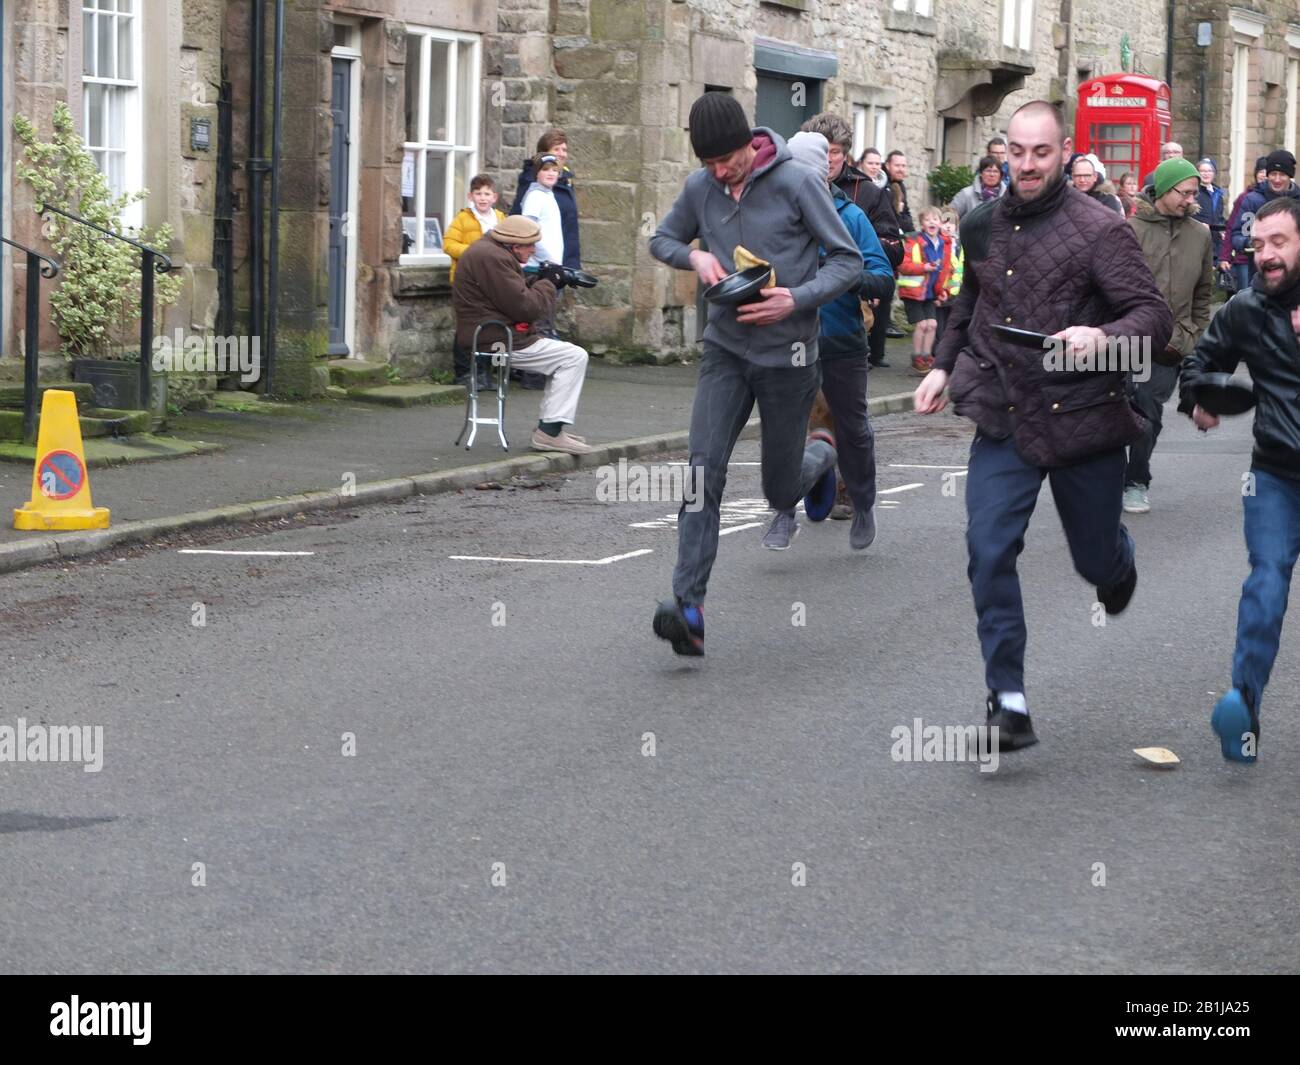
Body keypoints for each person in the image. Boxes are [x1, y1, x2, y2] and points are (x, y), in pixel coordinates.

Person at [912, 100, 1172, 751]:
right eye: (1018, 152)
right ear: (1006, 151)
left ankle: (1115, 562)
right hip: (1004, 414)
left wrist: (1102, 335)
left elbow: (1152, 317)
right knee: (989, 549)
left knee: (1093, 560)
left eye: (1041, 152)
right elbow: (968, 300)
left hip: (1084, 419)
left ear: (1064, 154)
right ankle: (1009, 698)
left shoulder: (1101, 229)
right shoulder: (980, 225)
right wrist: (943, 367)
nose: (1027, 165)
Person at [647, 92, 862, 657]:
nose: (721, 172)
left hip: (788, 356)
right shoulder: (701, 189)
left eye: (729, 160)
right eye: (710, 163)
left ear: (751, 141)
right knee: (701, 472)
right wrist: (692, 257)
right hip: (725, 349)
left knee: (777, 489)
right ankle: (688, 609)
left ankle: (819, 460)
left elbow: (848, 260)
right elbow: (661, 238)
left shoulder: (797, 182)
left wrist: (794, 299)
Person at [1178, 197, 1300, 763]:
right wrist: (1200, 398)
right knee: (1266, 584)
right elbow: (1198, 363)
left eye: (1280, 242)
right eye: (1260, 245)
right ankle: (1243, 708)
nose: (1267, 255)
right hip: (1276, 473)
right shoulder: (1246, 309)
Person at [761, 131, 895, 550]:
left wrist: (840, 275)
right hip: (786, 342)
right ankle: (784, 514)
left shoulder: (850, 217)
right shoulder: (774, 214)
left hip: (840, 341)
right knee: (784, 433)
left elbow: (883, 277)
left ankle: (863, 502)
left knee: (853, 428)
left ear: (821, 174)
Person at [452, 215, 594, 455]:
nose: (534, 249)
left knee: (564, 357)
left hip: (493, 335)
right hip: (496, 340)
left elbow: (506, 294)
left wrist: (538, 280)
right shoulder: (493, 258)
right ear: (514, 245)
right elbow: (526, 308)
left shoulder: (489, 252)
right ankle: (549, 433)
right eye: (530, 245)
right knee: (573, 357)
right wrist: (550, 282)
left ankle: (553, 429)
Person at [1124, 158, 1213, 515]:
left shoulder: (1201, 234)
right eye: (1185, 192)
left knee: (1148, 408)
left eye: (1194, 193)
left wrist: (1194, 332)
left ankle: (1135, 481)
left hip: (1175, 342)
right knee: (1127, 405)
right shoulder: (1130, 228)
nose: (1191, 199)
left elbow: (1205, 293)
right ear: (1163, 190)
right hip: (1131, 338)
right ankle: (1116, 476)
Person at [800, 114, 904, 370]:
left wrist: (849, 261)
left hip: (845, 317)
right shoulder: (792, 187)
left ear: (844, 154)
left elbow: (893, 248)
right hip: (798, 323)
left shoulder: (867, 192)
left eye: (833, 151)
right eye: (821, 150)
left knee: (842, 406)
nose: (827, 159)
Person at [445, 174, 506, 390]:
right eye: (478, 193)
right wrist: (474, 253)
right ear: (470, 196)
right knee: (466, 327)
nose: (482, 198)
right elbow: (449, 244)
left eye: (487, 193)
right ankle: (463, 372)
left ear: (494, 197)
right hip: (467, 282)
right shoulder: (463, 219)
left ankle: (484, 373)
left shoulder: (500, 219)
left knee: (491, 328)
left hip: (491, 282)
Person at [509, 129, 581, 269]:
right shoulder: (534, 190)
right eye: (556, 149)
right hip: (540, 265)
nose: (561, 153)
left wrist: (571, 264)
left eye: (564, 149)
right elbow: (527, 229)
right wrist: (549, 261)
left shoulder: (561, 182)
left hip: (559, 261)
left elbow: (566, 226)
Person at [1230, 150, 1300, 286]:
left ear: (1290, 176)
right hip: (1261, 277)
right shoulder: (1252, 200)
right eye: (1273, 174)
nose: (1277, 179)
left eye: (1282, 175)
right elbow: (1237, 235)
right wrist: (1251, 243)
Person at [897, 207, 954, 375]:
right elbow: (902, 264)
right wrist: (924, 267)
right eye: (927, 220)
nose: (932, 222)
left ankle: (927, 356)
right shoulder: (913, 241)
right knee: (922, 325)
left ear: (940, 223)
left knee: (932, 324)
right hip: (913, 292)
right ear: (922, 224)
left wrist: (944, 290)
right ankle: (917, 359)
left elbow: (947, 269)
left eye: (935, 219)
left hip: (930, 292)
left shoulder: (944, 243)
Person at [1222, 157, 1271, 291]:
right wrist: (1225, 257)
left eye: (1267, 172)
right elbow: (1232, 226)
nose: (1264, 175)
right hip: (1244, 257)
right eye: (1261, 171)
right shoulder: (1246, 197)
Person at [1194, 157, 1227, 254]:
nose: (1206, 174)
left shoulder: (1218, 193)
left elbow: (1219, 217)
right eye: (1203, 171)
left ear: (1214, 174)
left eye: (1209, 171)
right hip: (1198, 239)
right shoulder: (1193, 192)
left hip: (1215, 241)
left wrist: (1223, 231)